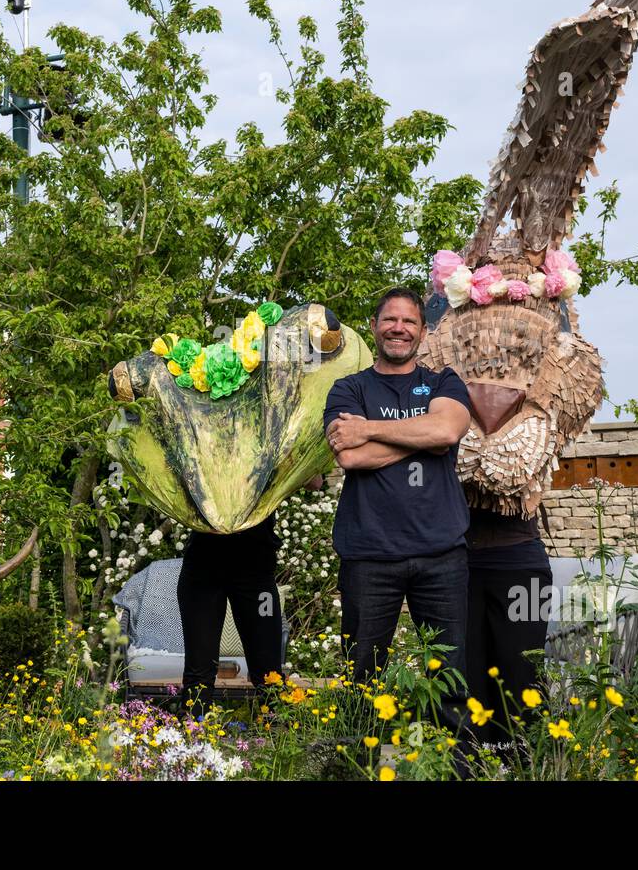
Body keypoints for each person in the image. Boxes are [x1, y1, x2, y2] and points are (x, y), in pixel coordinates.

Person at [323, 287, 473, 729]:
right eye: (390, 319)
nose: (399, 328)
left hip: (441, 553)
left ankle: (452, 769)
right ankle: (355, 767)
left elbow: (446, 430)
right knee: (361, 676)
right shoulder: (348, 387)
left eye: (409, 321)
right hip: (369, 554)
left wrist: (370, 429)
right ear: (374, 326)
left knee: (449, 677)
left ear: (423, 332)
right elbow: (349, 456)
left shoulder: (444, 381)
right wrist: (420, 437)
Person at [176, 475, 323, 713]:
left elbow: (315, 482)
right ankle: (193, 742)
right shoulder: (200, 440)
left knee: (269, 673)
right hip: (202, 571)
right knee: (198, 673)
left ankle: (277, 741)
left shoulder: (271, 439)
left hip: (256, 573)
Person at [463, 505, 553, 747]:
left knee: (523, 668)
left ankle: (527, 761)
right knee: (469, 670)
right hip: (461, 565)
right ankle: (478, 761)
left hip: (524, 565)